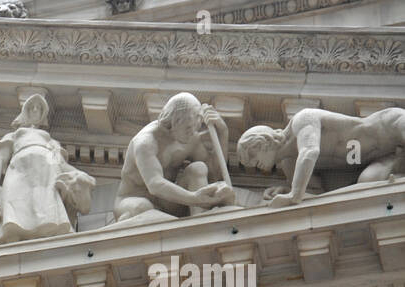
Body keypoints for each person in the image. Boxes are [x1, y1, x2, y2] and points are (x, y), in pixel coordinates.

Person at [237, 106, 405, 207]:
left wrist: (294, 194)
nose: (253, 166)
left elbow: (310, 151)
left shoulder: (302, 120)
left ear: (263, 143)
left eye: (252, 157)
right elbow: (317, 195)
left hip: (391, 126)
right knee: (367, 184)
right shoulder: (291, 165)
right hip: (383, 157)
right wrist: (288, 191)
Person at [0, 94, 94, 244]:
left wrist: (77, 173)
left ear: (43, 113)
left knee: (45, 205)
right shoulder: (14, 135)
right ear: (26, 112)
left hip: (45, 173)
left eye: (39, 108)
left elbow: (61, 164)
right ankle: (13, 235)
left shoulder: (50, 140)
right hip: (18, 170)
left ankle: (47, 232)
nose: (35, 110)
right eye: (32, 107)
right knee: (15, 206)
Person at [113, 92, 235, 223]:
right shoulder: (145, 143)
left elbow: (214, 175)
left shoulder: (189, 138)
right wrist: (194, 198)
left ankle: (201, 223)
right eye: (188, 128)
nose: (193, 132)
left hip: (169, 203)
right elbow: (155, 184)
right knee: (143, 207)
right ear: (173, 122)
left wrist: (223, 133)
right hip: (133, 200)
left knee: (198, 168)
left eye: (197, 126)